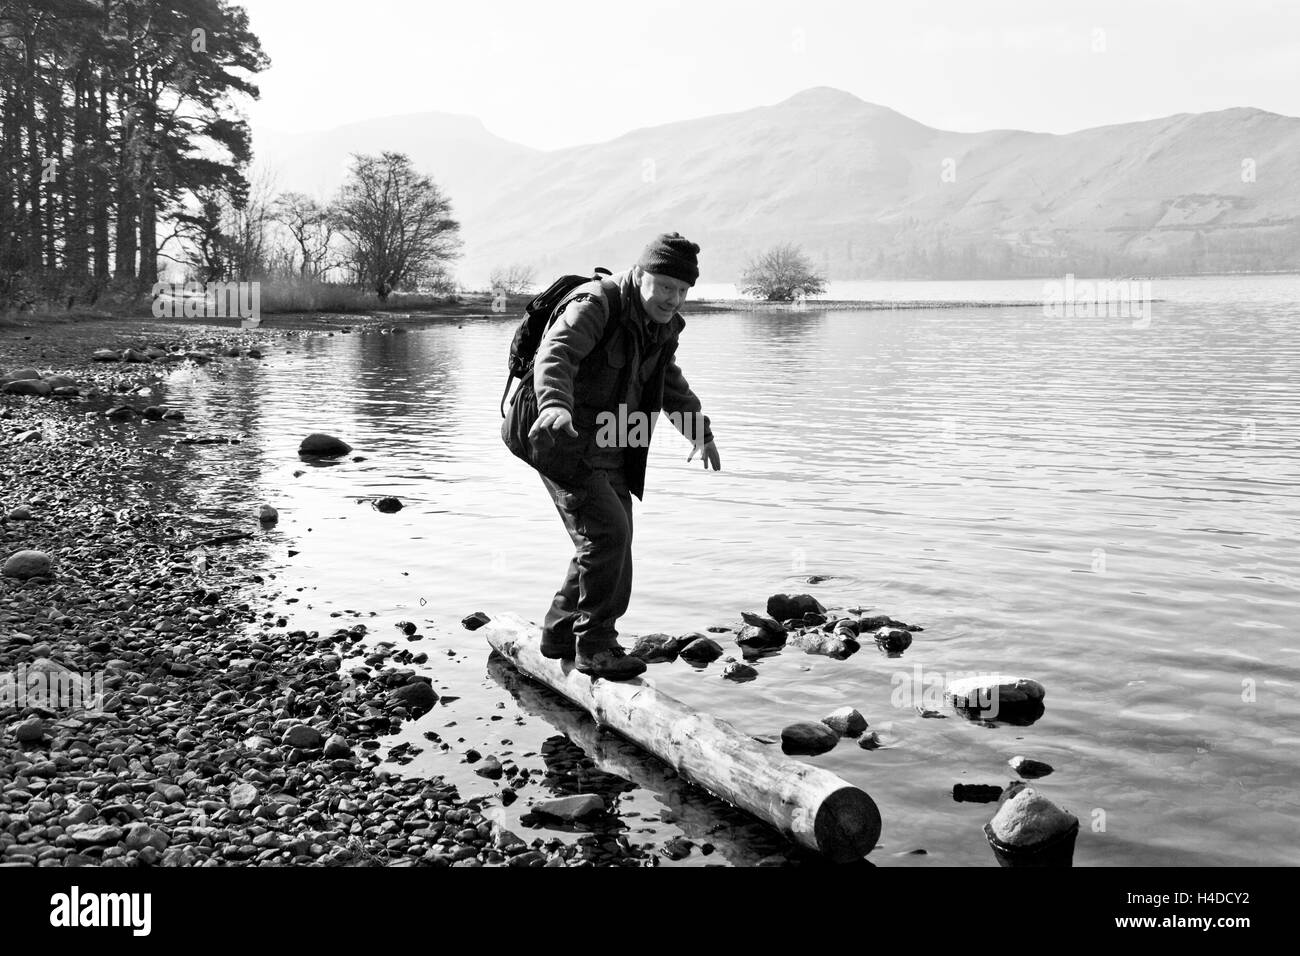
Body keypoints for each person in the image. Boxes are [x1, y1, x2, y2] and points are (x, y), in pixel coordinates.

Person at [528, 232, 720, 680]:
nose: (673, 298)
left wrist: (699, 432)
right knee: (608, 535)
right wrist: (554, 403)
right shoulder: (596, 304)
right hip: (561, 438)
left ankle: (558, 634)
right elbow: (555, 354)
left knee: (610, 540)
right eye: (665, 286)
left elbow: (667, 381)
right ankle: (595, 646)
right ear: (639, 274)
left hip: (612, 445)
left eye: (682, 290)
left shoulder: (662, 325)